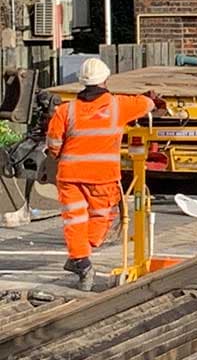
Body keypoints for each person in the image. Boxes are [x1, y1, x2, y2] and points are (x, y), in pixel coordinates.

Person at [45, 58, 162, 291]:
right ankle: (82, 257)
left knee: (75, 220)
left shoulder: (65, 110)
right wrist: (152, 98)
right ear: (106, 80)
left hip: (70, 176)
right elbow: (147, 103)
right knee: (100, 220)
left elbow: (53, 144)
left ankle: (80, 259)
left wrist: (58, 154)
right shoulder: (119, 106)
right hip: (102, 177)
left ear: (82, 82)